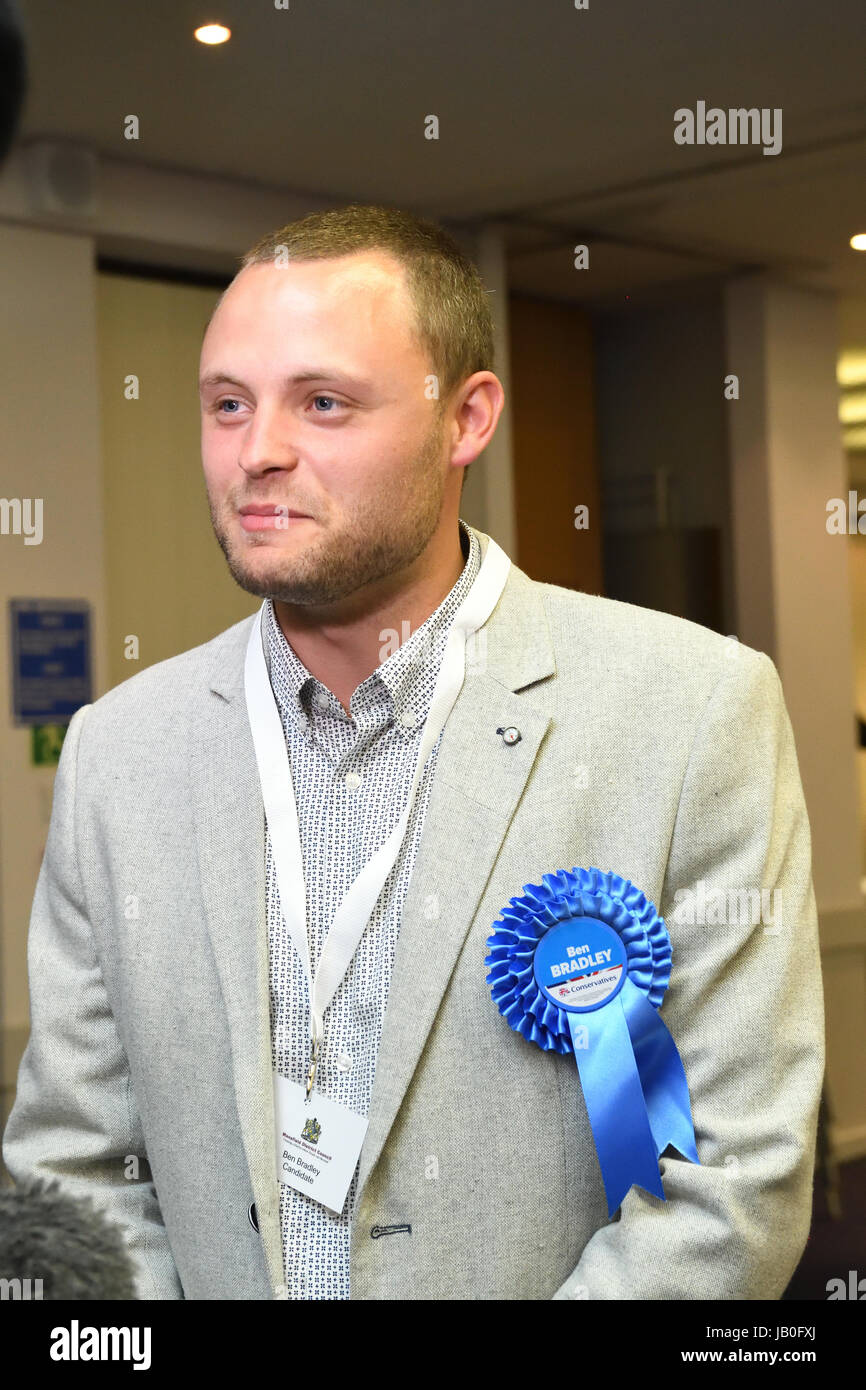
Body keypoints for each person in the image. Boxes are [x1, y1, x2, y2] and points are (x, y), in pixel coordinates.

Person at [2, 204, 825, 1300]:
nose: (259, 452)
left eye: (323, 401)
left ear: (465, 418)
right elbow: (75, 1169)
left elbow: (728, 1186)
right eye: (228, 405)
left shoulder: (688, 711)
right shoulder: (119, 752)